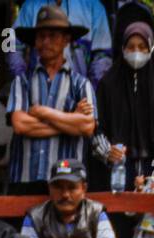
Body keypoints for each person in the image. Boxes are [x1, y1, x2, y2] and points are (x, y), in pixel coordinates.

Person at [6, 6, 97, 196]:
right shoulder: (21, 82)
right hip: (25, 180)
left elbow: (87, 127)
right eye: (41, 36)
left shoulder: (81, 84)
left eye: (53, 36)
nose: (45, 42)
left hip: (68, 184)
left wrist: (42, 113)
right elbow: (20, 125)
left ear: (66, 40)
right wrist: (70, 121)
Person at [91, 20, 154, 195]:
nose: (136, 52)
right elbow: (97, 128)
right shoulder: (109, 84)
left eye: (142, 46)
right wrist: (107, 152)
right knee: (118, 213)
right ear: (123, 48)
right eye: (131, 46)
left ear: (150, 48)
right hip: (118, 165)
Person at [8, 0, 113, 84]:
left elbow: (102, 56)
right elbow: (11, 45)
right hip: (36, 90)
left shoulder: (94, 6)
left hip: (79, 96)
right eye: (42, 36)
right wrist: (21, 79)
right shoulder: (30, 6)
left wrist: (89, 90)